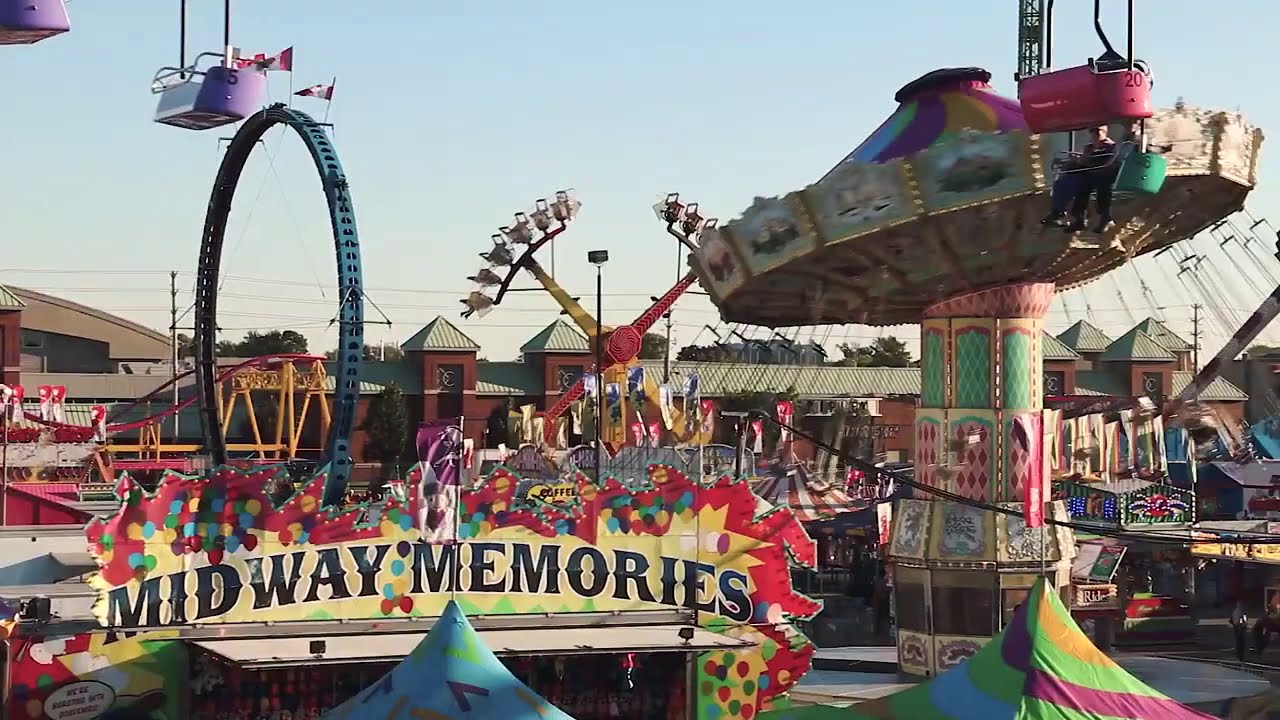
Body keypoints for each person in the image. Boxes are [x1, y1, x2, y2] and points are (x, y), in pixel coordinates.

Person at [1041, 124, 1121, 233]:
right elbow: (1082, 161)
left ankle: (1105, 218)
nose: (1094, 134)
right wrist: (1078, 161)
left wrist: (1092, 165)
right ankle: (1076, 219)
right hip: (1090, 174)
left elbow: (1110, 162)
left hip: (1105, 174)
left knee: (1103, 188)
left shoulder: (1112, 147)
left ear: (1104, 132)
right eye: (1092, 131)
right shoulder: (1089, 147)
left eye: (1097, 131)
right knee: (1077, 187)